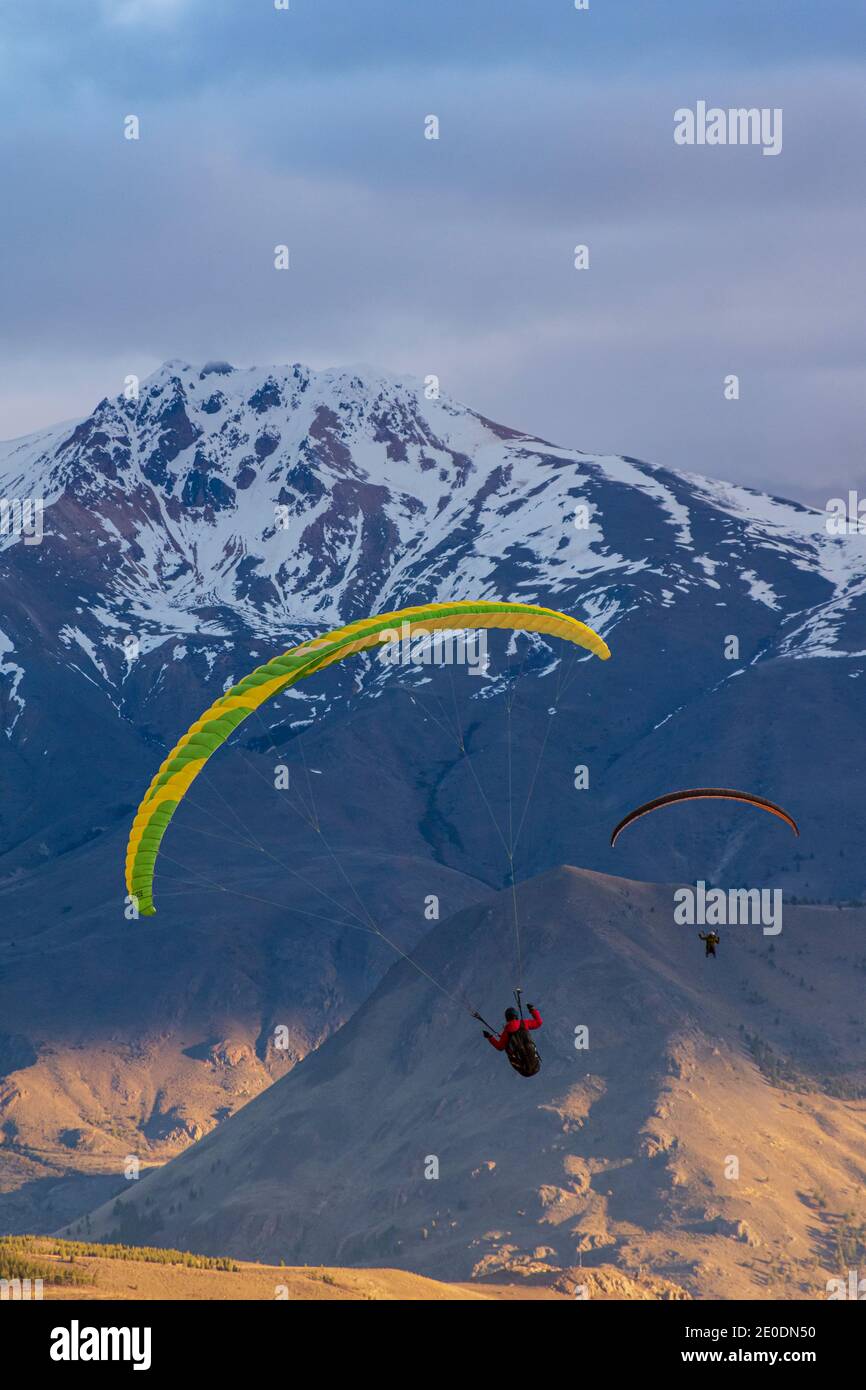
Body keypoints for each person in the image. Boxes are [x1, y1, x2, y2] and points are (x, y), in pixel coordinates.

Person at [484, 1003, 542, 1077]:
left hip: (524, 1070)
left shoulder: (506, 1032)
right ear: (516, 1016)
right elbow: (538, 1022)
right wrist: (532, 1009)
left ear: (507, 1018)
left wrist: (490, 1037)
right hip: (536, 1065)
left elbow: (500, 1047)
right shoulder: (524, 1023)